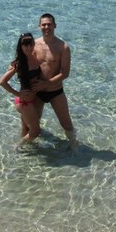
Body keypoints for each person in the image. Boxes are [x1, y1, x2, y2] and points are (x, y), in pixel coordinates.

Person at [32, 13, 78, 152]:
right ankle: (33, 148)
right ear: (39, 26)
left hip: (55, 91)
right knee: (34, 122)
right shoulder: (34, 45)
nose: (47, 27)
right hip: (37, 91)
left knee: (66, 123)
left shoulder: (63, 47)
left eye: (49, 24)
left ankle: (75, 147)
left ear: (55, 26)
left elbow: (65, 73)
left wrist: (46, 84)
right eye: (44, 24)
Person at [0, 32, 41, 149]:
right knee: (36, 131)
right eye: (25, 45)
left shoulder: (35, 57)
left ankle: (25, 150)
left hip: (31, 101)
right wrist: (18, 94)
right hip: (24, 102)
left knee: (26, 129)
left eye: (30, 44)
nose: (28, 47)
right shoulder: (18, 64)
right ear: (20, 46)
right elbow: (2, 82)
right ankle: (17, 147)